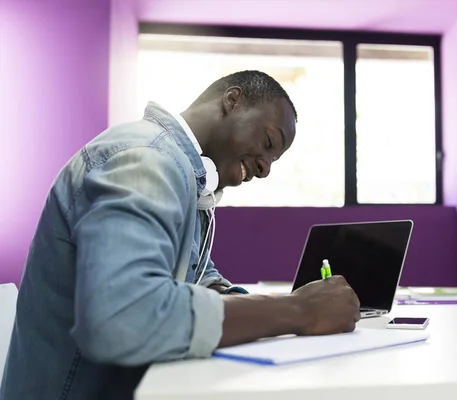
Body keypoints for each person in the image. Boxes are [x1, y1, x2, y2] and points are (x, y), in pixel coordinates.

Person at [0, 70, 360, 400]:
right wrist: (297, 310)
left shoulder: (182, 175)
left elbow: (199, 275)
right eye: (268, 143)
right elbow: (125, 317)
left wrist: (258, 304)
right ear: (232, 101)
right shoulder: (146, 160)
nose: (265, 170)